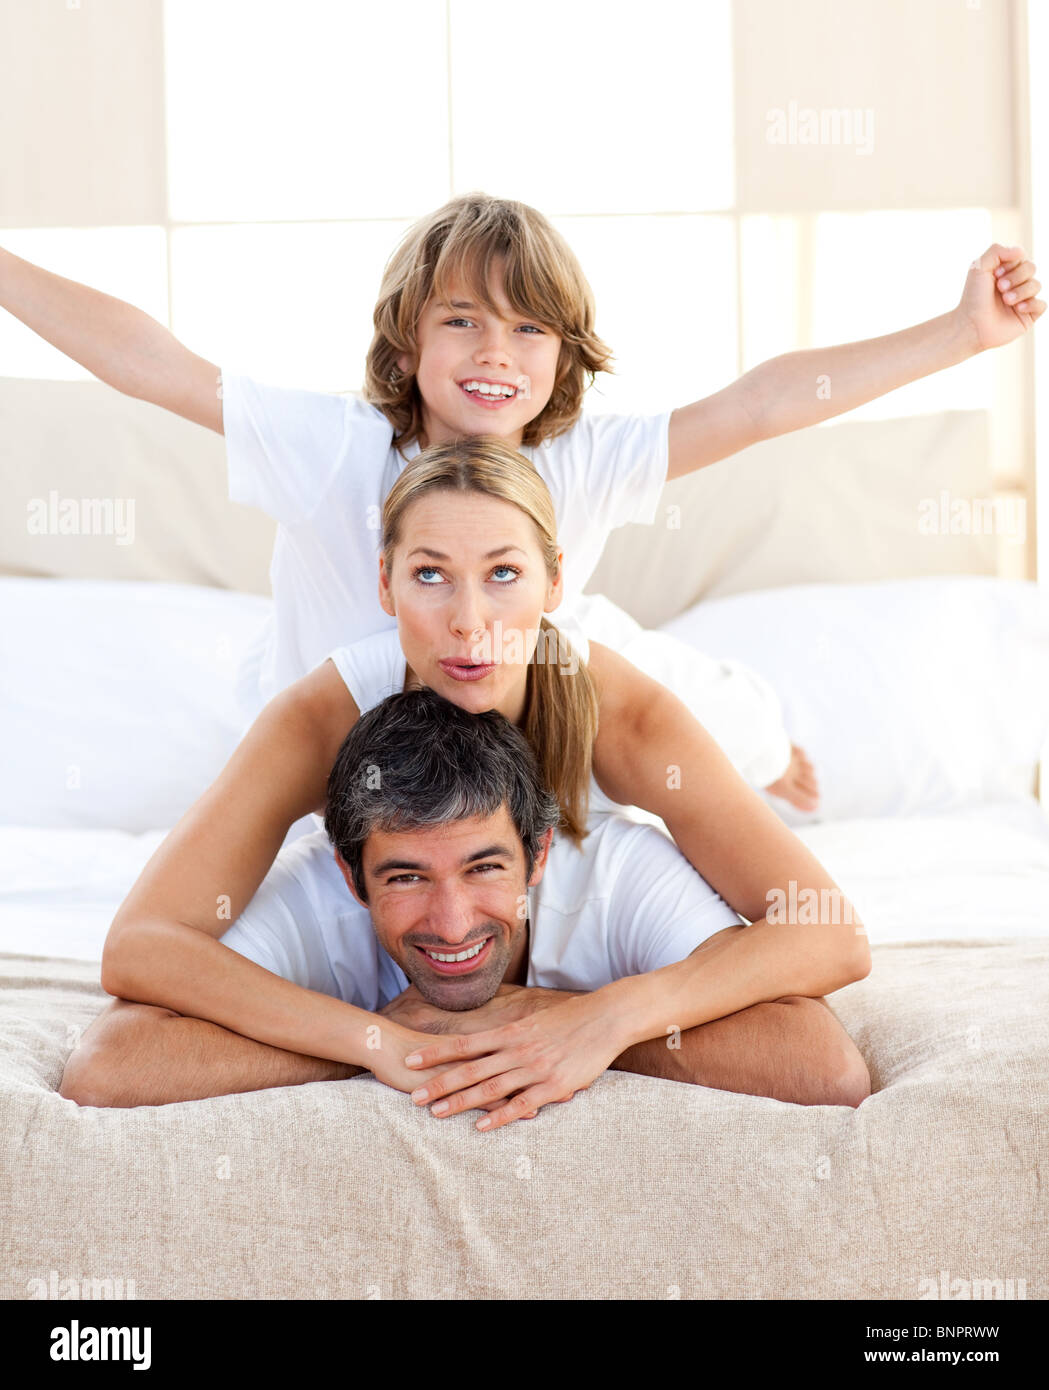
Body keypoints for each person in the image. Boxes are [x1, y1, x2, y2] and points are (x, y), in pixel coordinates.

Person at [67, 437, 872, 1124]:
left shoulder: (624, 721)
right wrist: (376, 1037)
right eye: (429, 576)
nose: (467, 622)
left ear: (554, 582)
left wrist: (602, 1016)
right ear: (382, 584)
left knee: (752, 733)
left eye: (502, 574)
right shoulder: (319, 720)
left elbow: (827, 930)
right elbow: (145, 943)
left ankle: (774, 754)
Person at [60, 687, 872, 1117]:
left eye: (484, 869)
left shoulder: (620, 873)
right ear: (352, 878)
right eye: (406, 878)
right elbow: (109, 1067)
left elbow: (824, 1066)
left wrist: (578, 1023)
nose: (450, 924)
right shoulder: (313, 892)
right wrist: (380, 1038)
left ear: (540, 856)